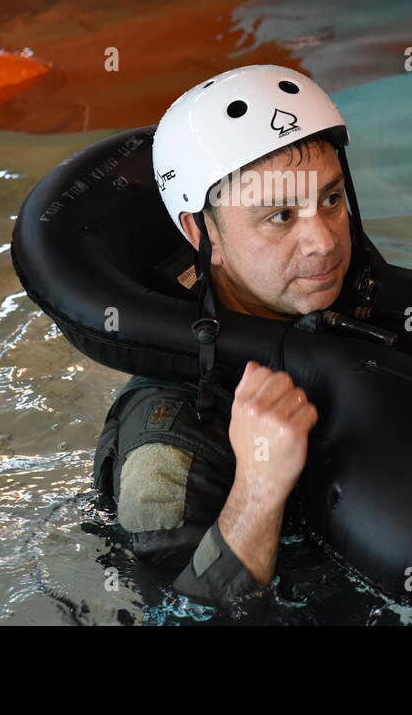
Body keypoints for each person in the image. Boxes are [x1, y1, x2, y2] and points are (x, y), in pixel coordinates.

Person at [91, 64, 357, 606]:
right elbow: (175, 616)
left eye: (329, 200)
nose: (323, 242)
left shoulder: (344, 310)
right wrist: (259, 485)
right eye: (280, 215)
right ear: (200, 232)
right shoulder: (166, 441)